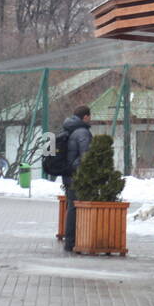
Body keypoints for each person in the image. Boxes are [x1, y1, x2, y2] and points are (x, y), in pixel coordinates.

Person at [60, 106, 94, 253]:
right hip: (76, 176)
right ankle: (72, 242)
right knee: (74, 208)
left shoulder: (68, 129)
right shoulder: (82, 132)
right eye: (90, 116)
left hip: (67, 175)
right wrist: (83, 173)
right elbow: (85, 155)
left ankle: (70, 241)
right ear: (85, 117)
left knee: (71, 207)